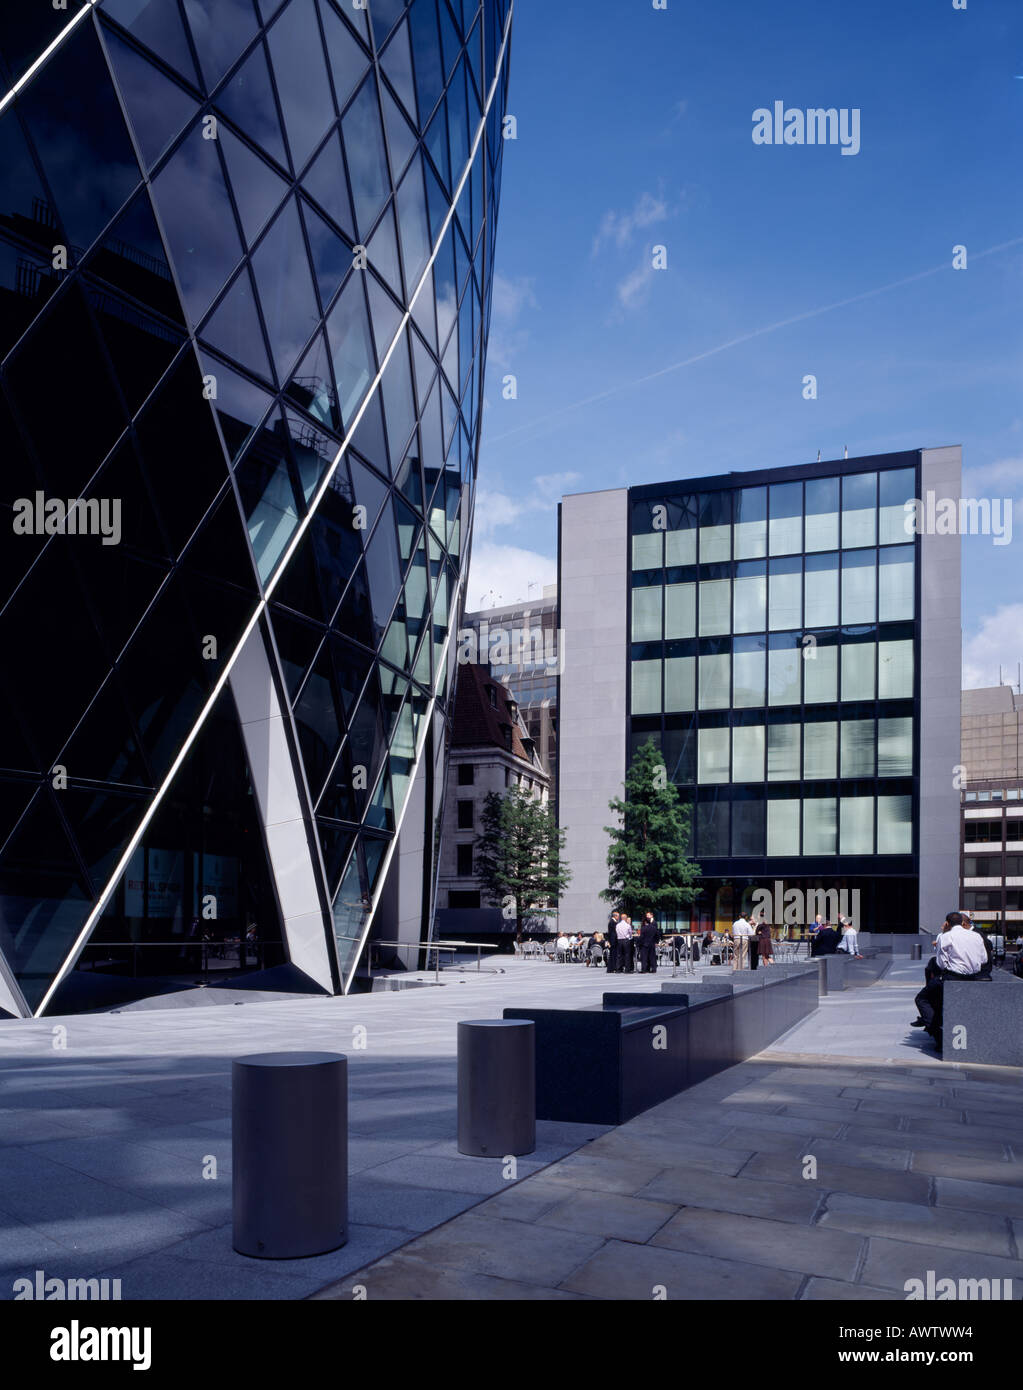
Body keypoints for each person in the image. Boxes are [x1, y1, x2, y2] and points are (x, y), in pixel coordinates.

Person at [914, 911, 989, 1049]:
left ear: (947, 923)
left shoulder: (946, 936)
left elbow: (941, 963)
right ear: (962, 922)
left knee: (921, 999)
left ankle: (938, 1035)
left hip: (952, 978)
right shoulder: (976, 936)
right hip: (973, 978)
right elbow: (984, 959)